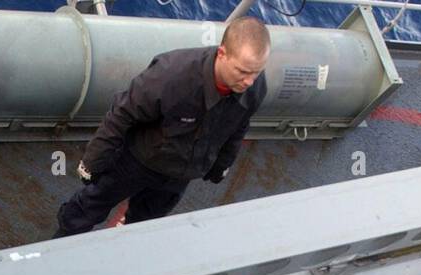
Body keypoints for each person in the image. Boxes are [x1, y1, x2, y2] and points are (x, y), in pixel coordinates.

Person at [53, 16, 270, 238]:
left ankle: (123, 254)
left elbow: (237, 128)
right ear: (222, 53)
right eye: (242, 72)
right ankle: (57, 247)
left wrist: (222, 165)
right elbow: (123, 113)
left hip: (180, 175)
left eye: (256, 73)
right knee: (89, 207)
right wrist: (93, 161)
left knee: (145, 225)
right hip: (137, 161)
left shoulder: (255, 89)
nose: (249, 82)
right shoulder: (172, 75)